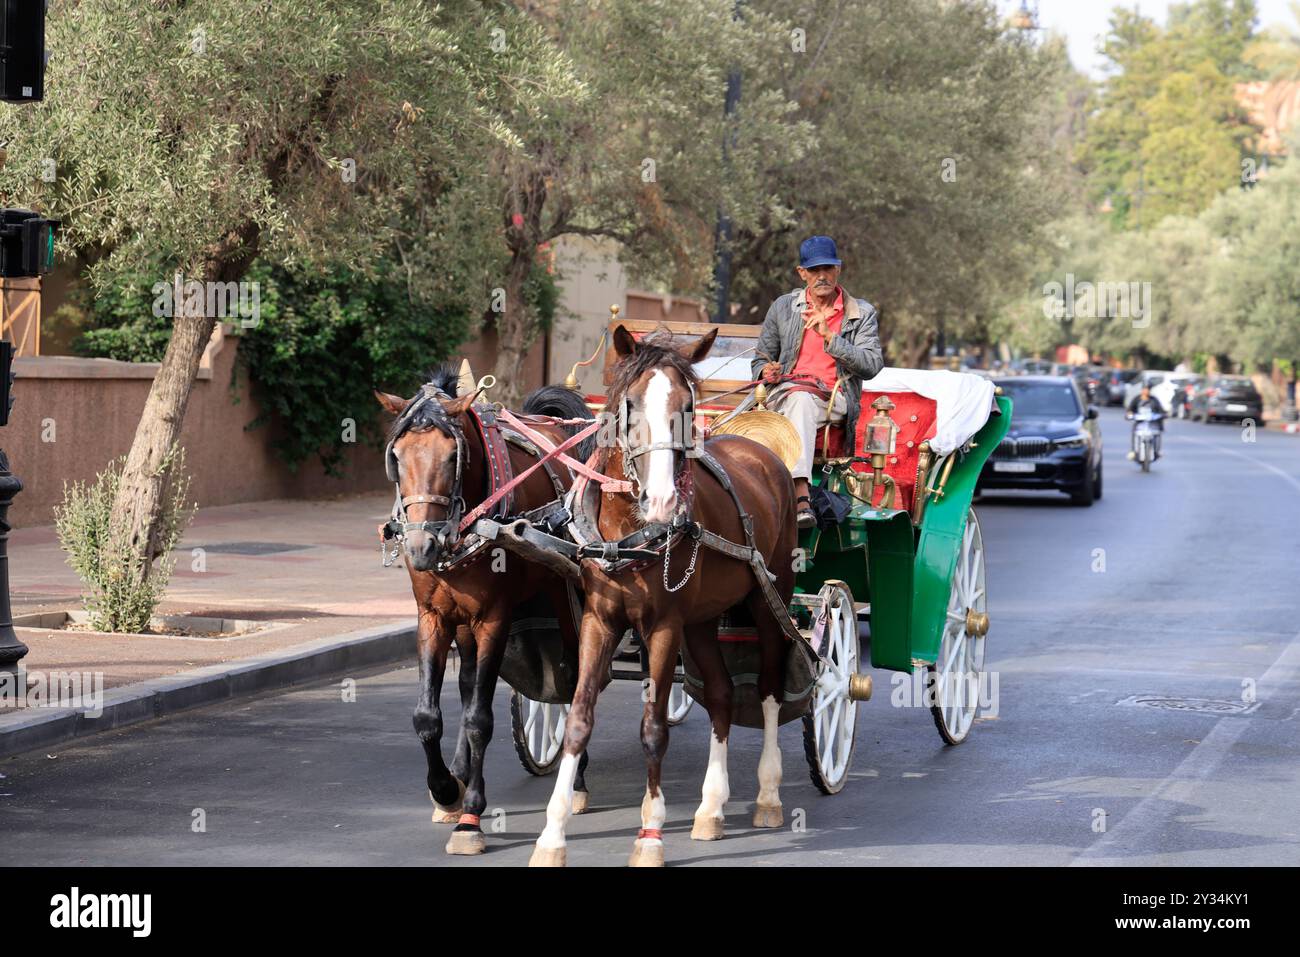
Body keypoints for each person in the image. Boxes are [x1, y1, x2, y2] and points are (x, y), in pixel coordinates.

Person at [751, 235, 883, 528]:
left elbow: (872, 364)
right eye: (814, 270)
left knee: (801, 400)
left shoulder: (861, 313)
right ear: (802, 273)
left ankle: (800, 495)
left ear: (838, 270)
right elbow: (760, 359)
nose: (821, 276)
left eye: (827, 268)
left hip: (832, 398)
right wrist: (765, 372)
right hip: (781, 393)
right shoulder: (783, 307)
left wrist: (831, 338)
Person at [1126, 383, 1167, 460]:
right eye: (1144, 389)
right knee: (1135, 433)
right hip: (1140, 424)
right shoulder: (1137, 399)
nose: (1146, 391)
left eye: (1147, 389)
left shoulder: (1154, 400)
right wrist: (1130, 414)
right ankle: (1134, 451)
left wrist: (1163, 415)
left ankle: (1157, 451)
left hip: (1152, 424)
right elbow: (1130, 410)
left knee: (1158, 433)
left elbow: (1161, 410)